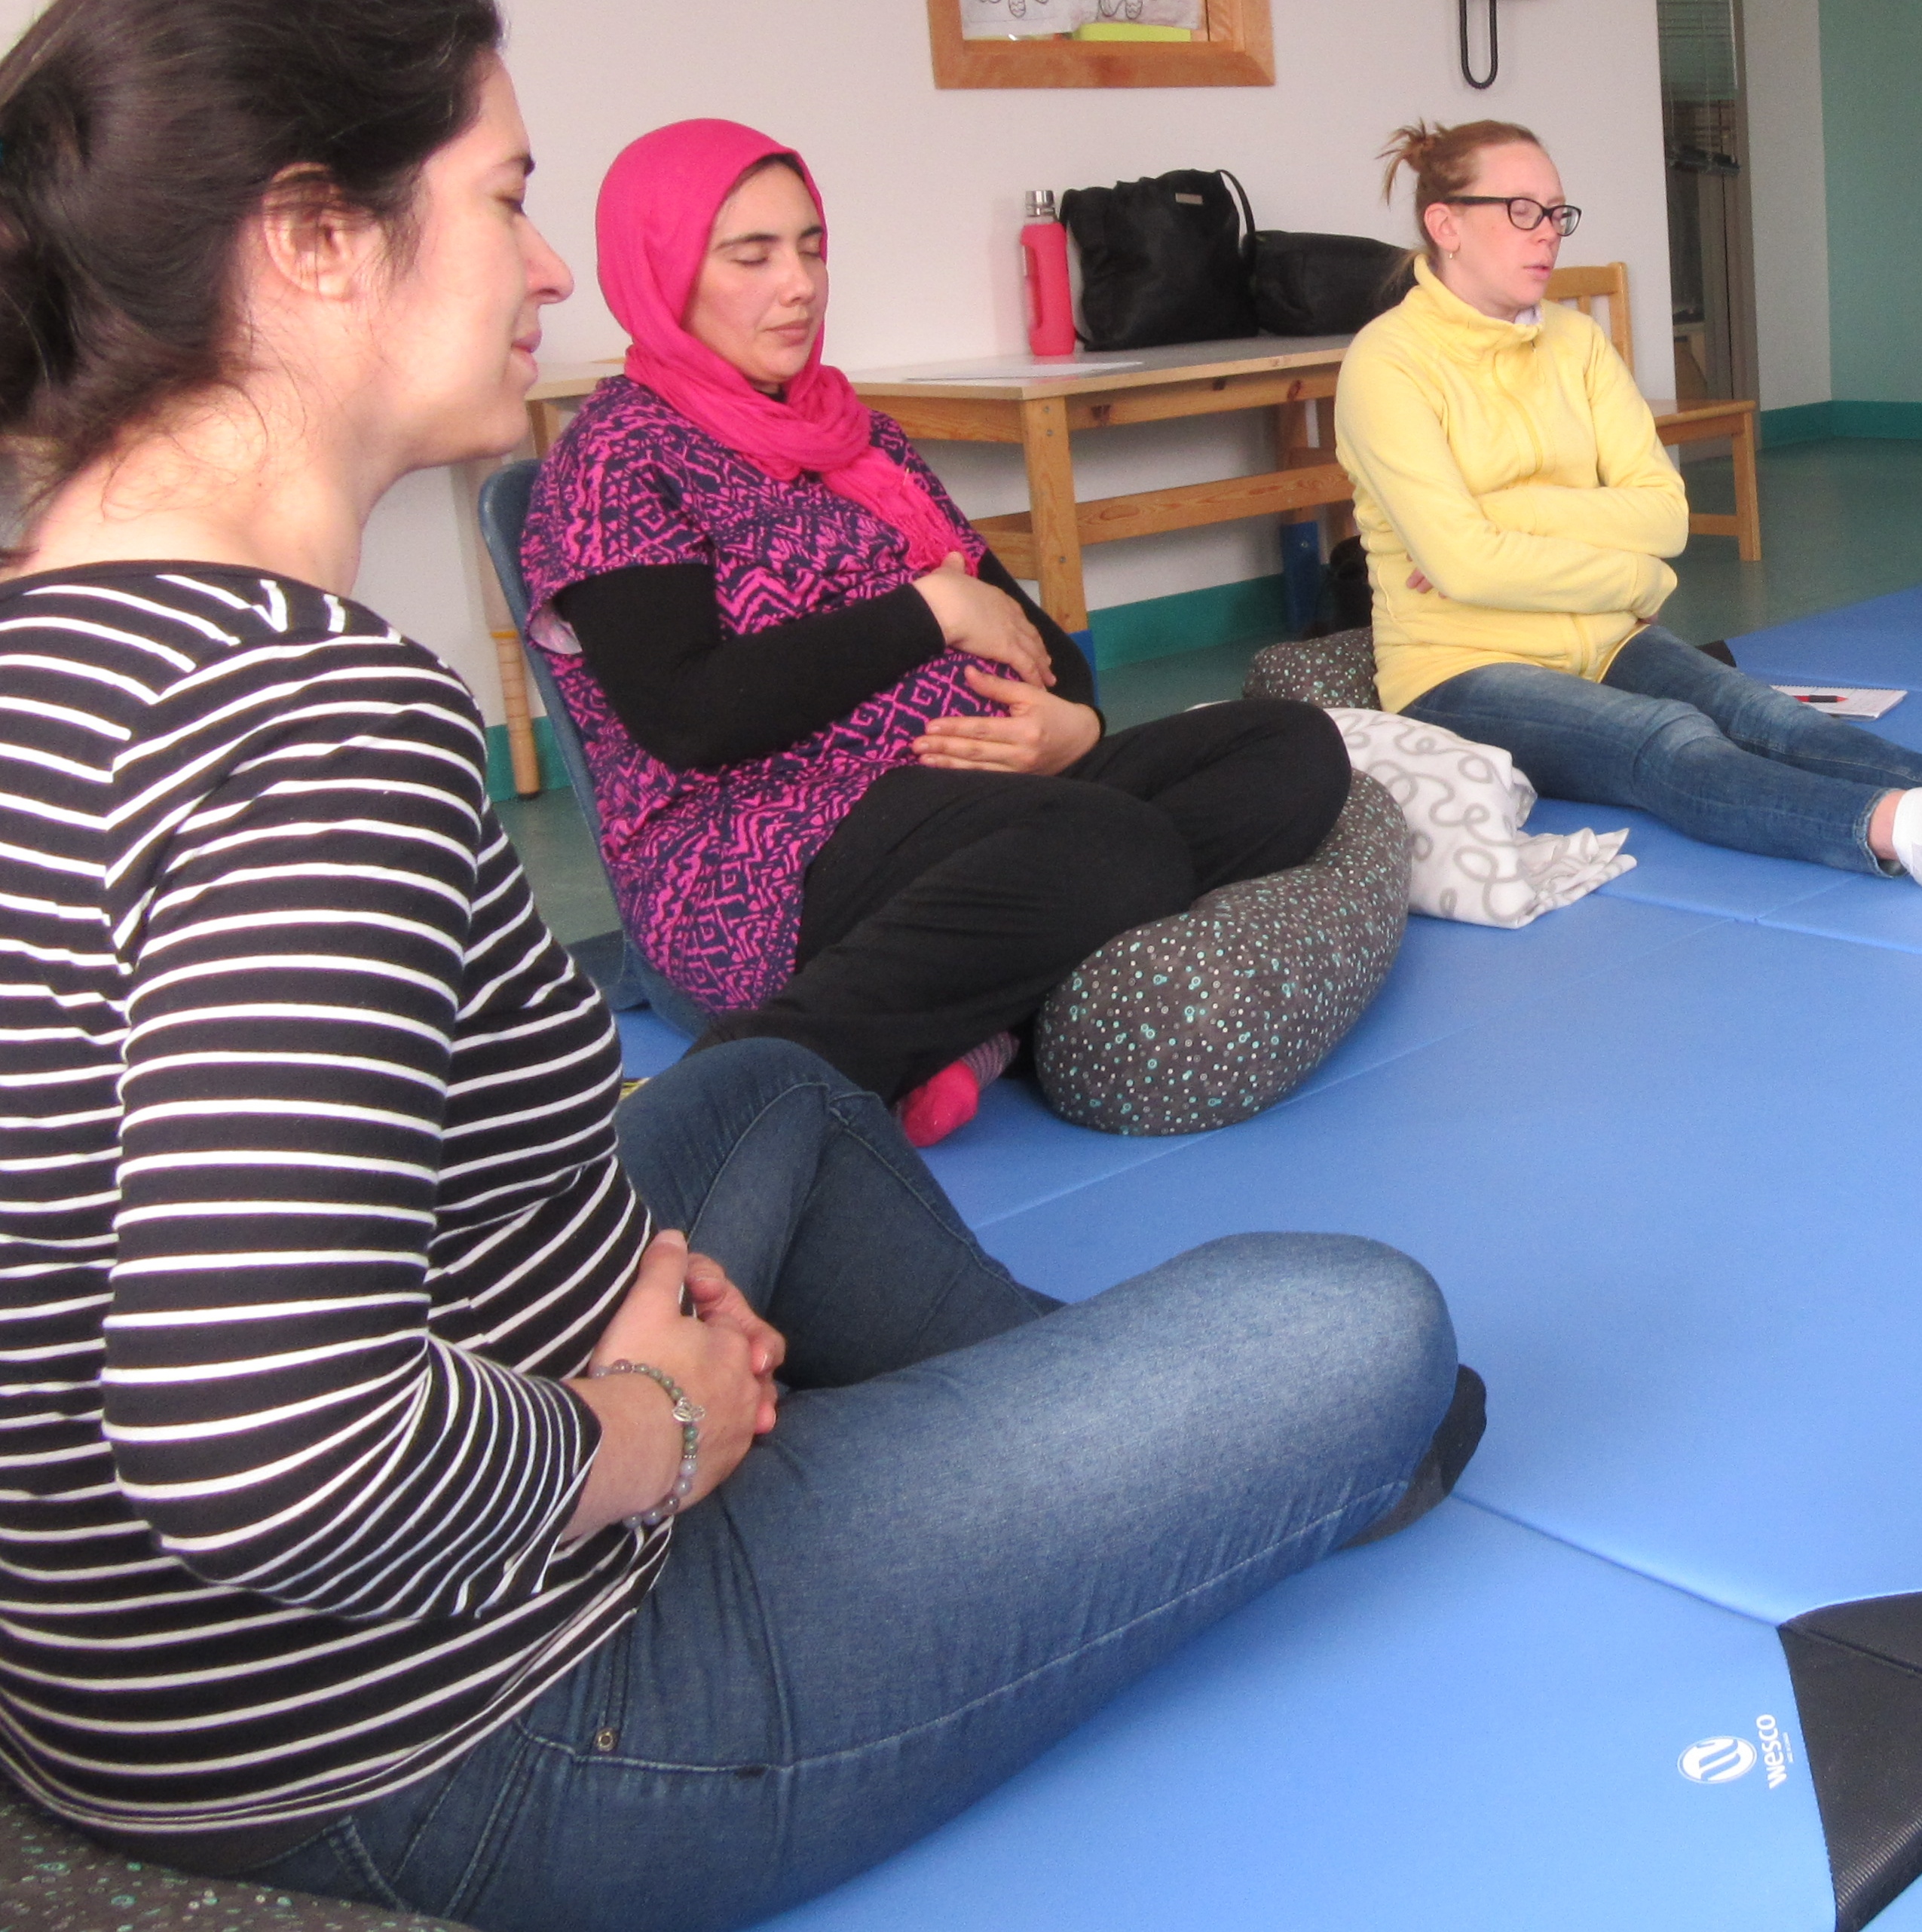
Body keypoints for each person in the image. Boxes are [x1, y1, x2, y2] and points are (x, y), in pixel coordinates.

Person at [0, 5, 1480, 1930]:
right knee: (1359, 1325)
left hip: (129, 1692)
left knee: (771, 1088)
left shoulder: (71, 650)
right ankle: (1056, 1438)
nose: (545, 268)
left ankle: (1044, 1416)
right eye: (508, 198)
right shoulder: (310, 729)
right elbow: (260, 1450)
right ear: (314, 238)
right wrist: (655, 1430)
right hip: (493, 1708)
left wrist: (596, 1278)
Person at [519, 118, 1353, 1145]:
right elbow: (692, 715)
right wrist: (929, 609)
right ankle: (724, 1096)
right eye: (753, 255)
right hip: (767, 846)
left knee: (1291, 745)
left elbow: (1033, 633)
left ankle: (982, 1008)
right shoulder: (617, 456)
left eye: (812, 246)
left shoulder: (855, 433)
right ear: (661, 270)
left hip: (981, 800)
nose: (800, 284)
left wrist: (1071, 731)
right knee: (1106, 845)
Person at [1336, 118, 1922, 885]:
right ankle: (1896, 829)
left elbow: (1661, 515)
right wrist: (1638, 582)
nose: (1546, 233)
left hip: (1606, 638)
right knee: (1669, 738)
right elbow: (1468, 569)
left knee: (1765, 714)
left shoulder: (1577, 344)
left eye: (1555, 212)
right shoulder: (1387, 364)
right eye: (1520, 210)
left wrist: (1503, 512)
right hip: (1461, 666)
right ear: (1444, 224)